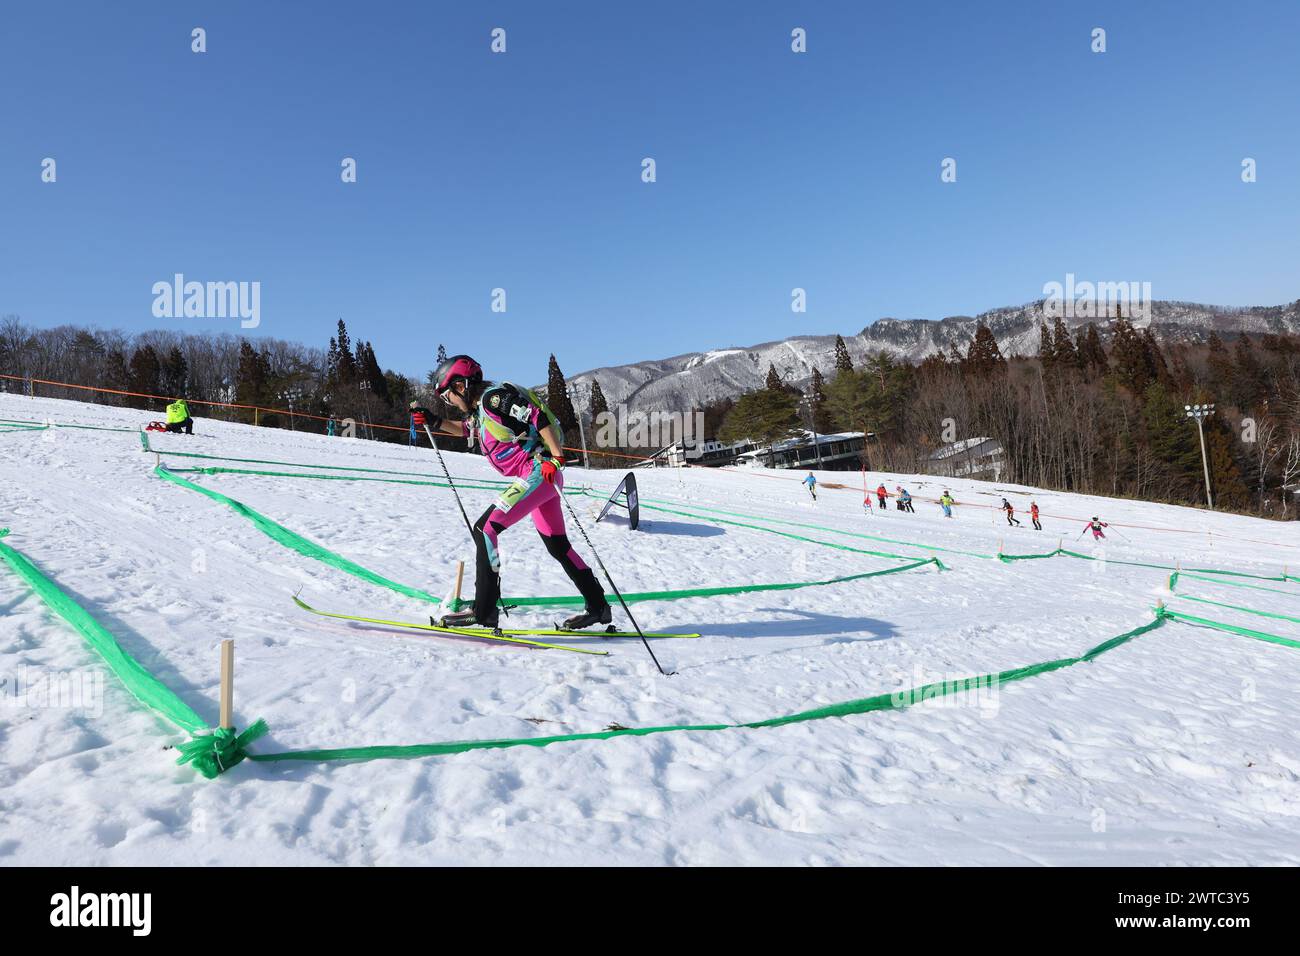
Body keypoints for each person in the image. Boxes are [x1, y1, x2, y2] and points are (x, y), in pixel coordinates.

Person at [416, 355, 611, 631]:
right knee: (557, 545)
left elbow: (535, 415)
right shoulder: (481, 412)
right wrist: (433, 421)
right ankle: (598, 606)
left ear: (461, 386)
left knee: (485, 530)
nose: (450, 403)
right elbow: (464, 430)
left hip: (539, 473)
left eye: (448, 397)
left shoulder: (493, 399)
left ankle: (484, 610)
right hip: (539, 476)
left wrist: (556, 458)